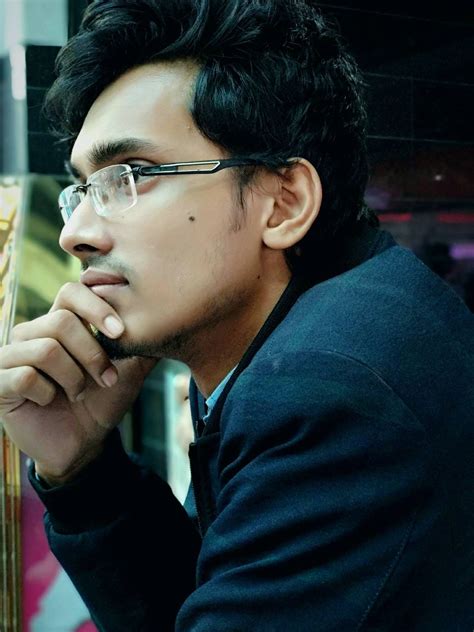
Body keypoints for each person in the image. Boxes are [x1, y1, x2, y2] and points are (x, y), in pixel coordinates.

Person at [0, 1, 473, 630]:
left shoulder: (327, 386)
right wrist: (82, 468)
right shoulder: (317, 326)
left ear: (284, 203)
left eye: (130, 175)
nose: (75, 234)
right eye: (84, 189)